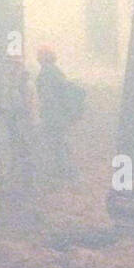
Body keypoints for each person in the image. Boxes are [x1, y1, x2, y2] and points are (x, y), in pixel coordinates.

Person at [34, 45, 85, 182]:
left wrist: (46, 113)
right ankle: (68, 173)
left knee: (57, 145)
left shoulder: (46, 73)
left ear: (44, 58)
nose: (37, 58)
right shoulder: (56, 71)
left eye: (39, 55)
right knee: (60, 143)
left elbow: (49, 98)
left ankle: (66, 174)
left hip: (53, 117)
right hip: (60, 116)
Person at [0, 54, 36, 191]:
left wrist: (32, 121)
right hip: (4, 118)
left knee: (23, 149)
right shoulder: (1, 83)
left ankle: (26, 181)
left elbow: (32, 104)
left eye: (16, 64)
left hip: (21, 119)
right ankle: (4, 178)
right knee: (4, 148)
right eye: (9, 64)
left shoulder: (27, 84)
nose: (12, 67)